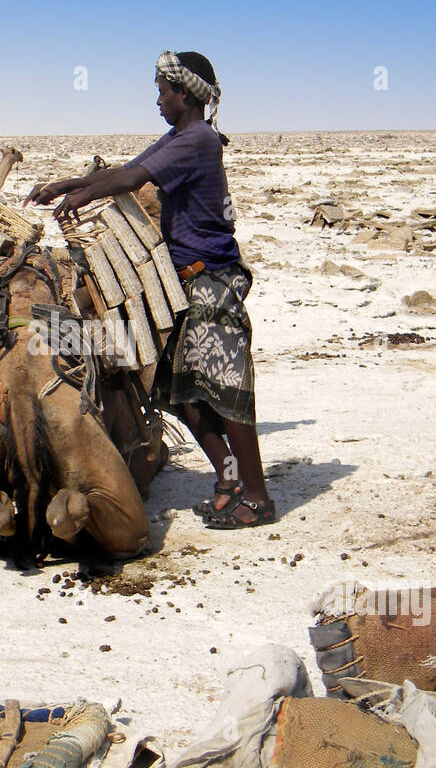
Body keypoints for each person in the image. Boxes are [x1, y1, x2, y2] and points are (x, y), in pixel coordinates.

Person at [27, 51, 274, 529]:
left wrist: (80, 197)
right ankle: (228, 481)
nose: (157, 98)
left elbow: (130, 179)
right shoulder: (178, 136)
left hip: (212, 279)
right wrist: (67, 184)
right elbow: (123, 168)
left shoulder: (198, 140)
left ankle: (258, 497)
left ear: (186, 94)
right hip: (182, 281)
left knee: (227, 392)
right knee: (177, 392)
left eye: (163, 90)